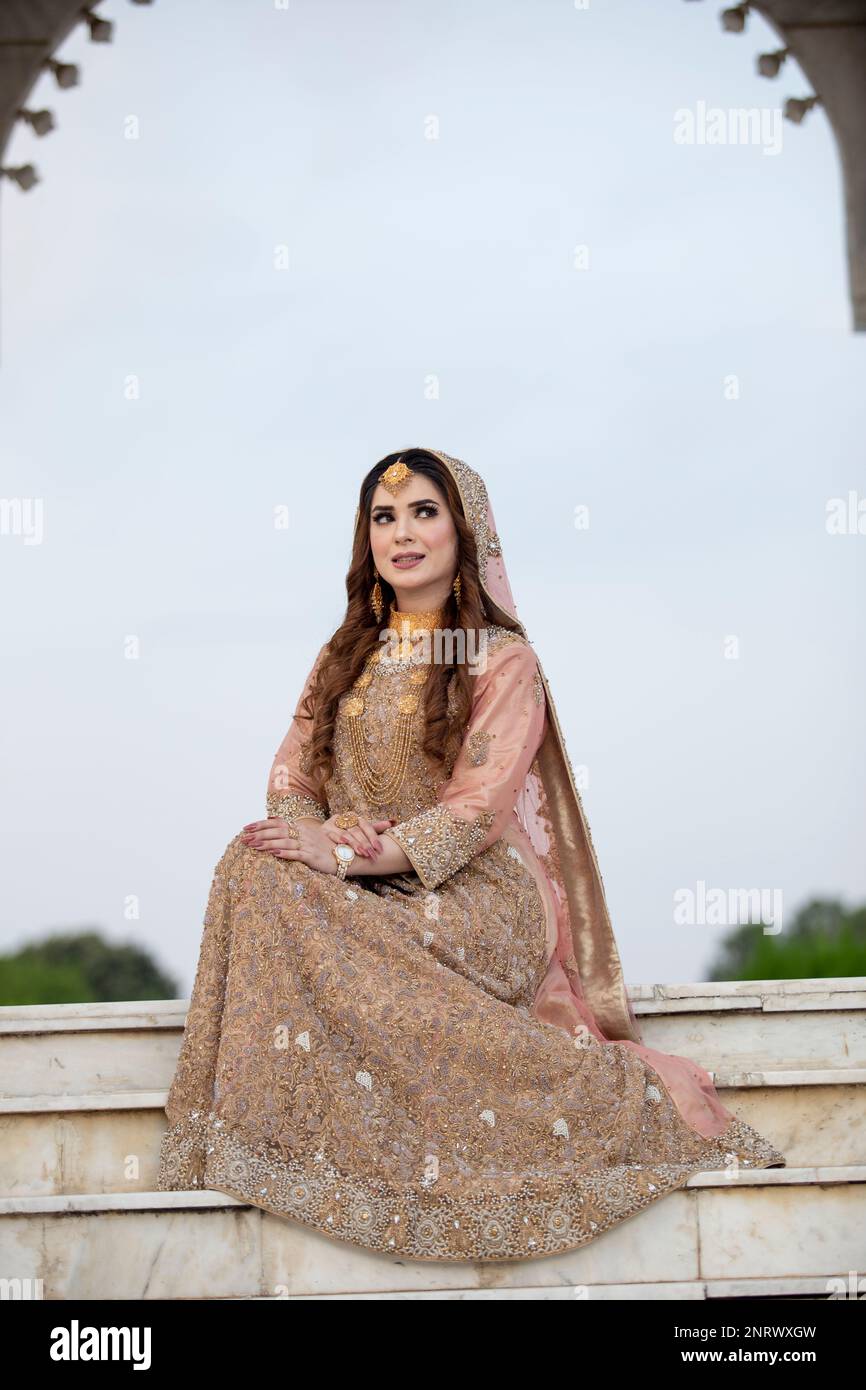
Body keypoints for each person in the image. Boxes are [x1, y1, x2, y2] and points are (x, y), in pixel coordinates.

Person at [158, 447, 785, 1262]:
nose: (403, 534)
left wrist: (346, 856)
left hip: (471, 892)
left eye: (425, 513)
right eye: (385, 517)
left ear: (466, 532)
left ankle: (625, 1097)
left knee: (293, 877)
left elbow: (472, 817)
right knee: (252, 863)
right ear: (366, 540)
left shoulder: (501, 659)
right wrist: (310, 830)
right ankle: (265, 1131)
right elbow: (292, 772)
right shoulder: (345, 653)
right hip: (364, 879)